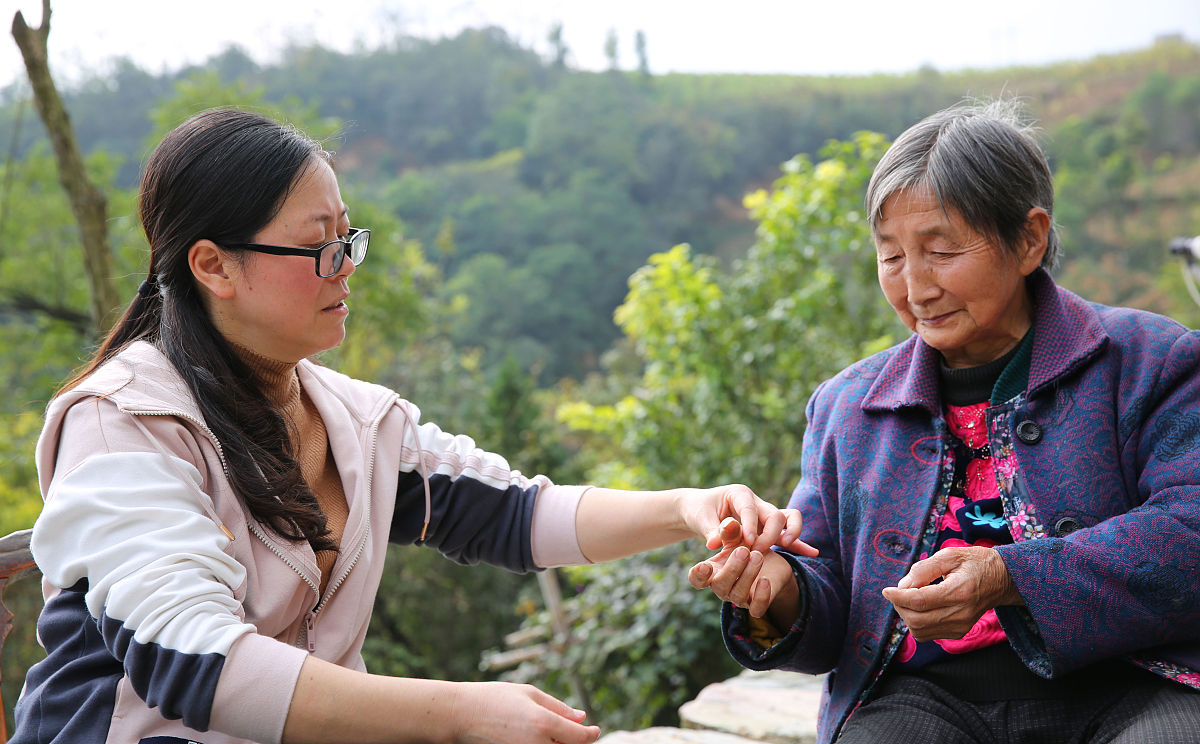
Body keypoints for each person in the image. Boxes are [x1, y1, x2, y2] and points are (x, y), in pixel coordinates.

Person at [13, 108, 810, 744]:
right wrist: (458, 714)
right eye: (315, 247)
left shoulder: (355, 419)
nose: (346, 265)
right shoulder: (126, 422)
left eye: (347, 238)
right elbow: (194, 664)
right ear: (214, 266)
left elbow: (517, 515)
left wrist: (685, 507)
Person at [690, 100, 1200, 743]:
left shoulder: (1153, 362)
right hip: (924, 704)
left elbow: (1191, 529)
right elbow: (829, 610)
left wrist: (1012, 576)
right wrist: (778, 592)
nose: (916, 286)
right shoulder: (849, 407)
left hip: (1134, 687)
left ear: (1028, 239)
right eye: (892, 257)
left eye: (941, 250)